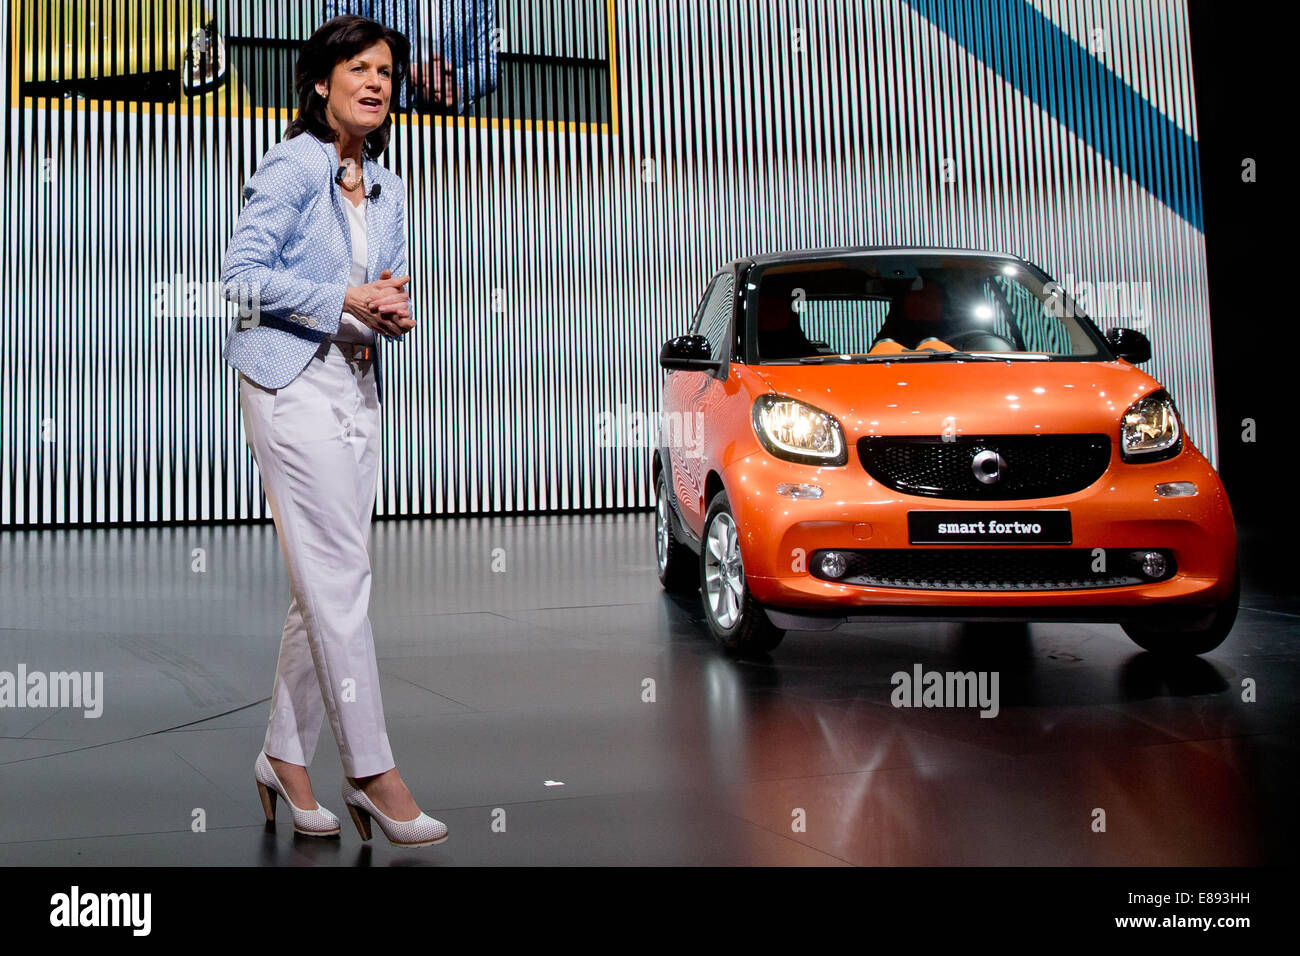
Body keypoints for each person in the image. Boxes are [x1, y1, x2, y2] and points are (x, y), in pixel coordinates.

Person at [220, 14, 446, 848]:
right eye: (360, 67)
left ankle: (283, 755)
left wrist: (383, 309)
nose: (379, 82)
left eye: (388, 70)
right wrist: (347, 302)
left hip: (355, 388)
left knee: (325, 581)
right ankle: (371, 771)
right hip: (288, 385)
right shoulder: (291, 165)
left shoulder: (383, 187)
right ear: (321, 82)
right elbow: (242, 279)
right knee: (341, 579)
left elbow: (373, 286)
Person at [321, 0, 499, 114]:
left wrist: (456, 84)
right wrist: (408, 74)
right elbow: (337, 40)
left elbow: (490, 64)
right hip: (379, 115)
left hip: (450, 120)